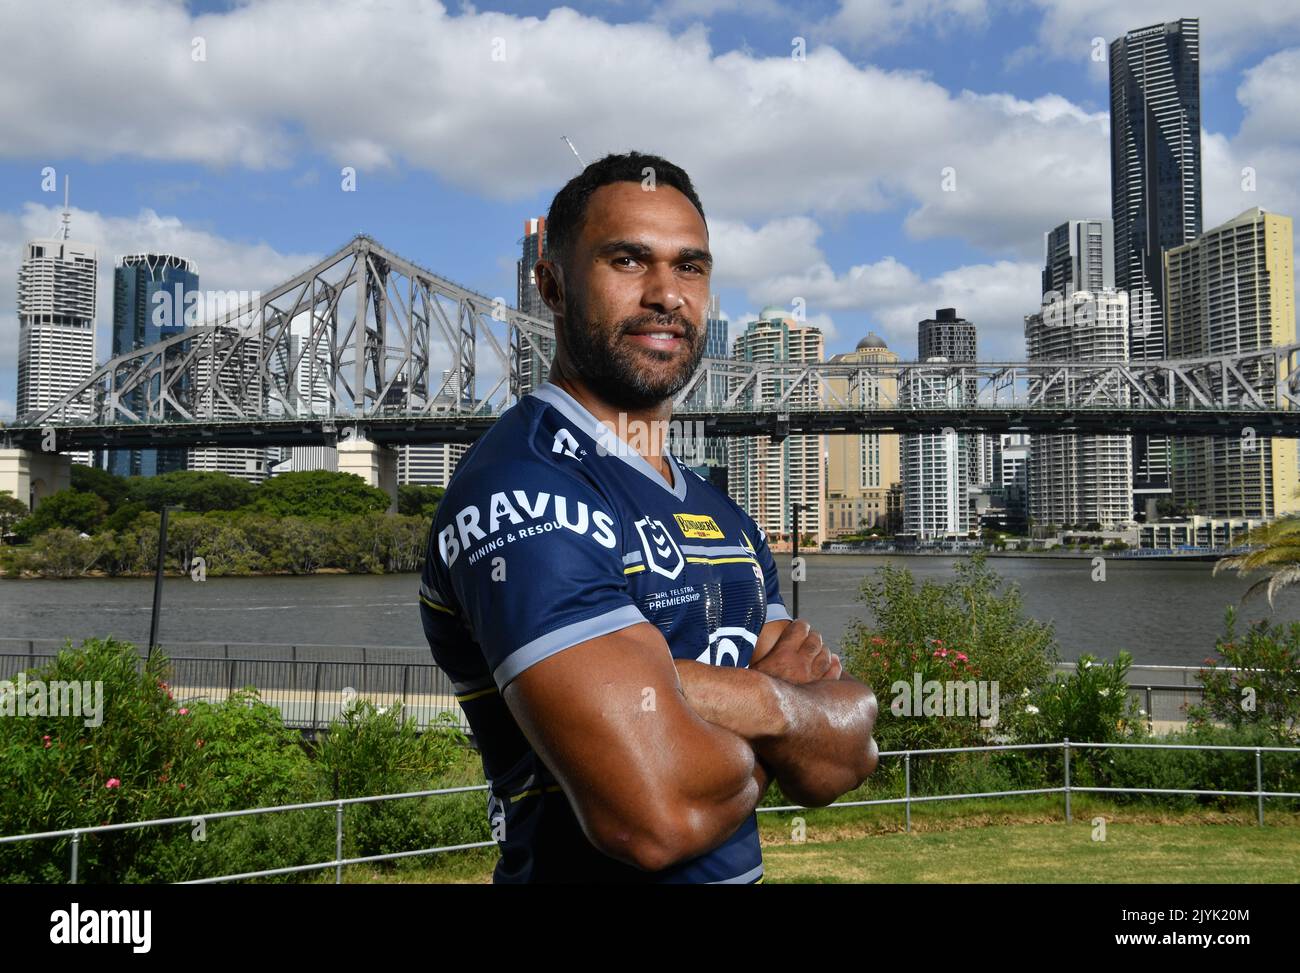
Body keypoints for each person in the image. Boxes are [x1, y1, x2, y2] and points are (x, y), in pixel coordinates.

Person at [419, 150, 879, 883]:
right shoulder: (521, 488)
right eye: (629, 261)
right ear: (551, 285)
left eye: (690, 267)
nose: (667, 293)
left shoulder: (724, 514)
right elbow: (654, 816)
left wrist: (687, 693)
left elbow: (845, 757)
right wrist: (780, 705)